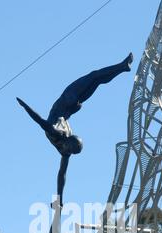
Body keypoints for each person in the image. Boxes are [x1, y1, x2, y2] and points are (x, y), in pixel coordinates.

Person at [17, 53, 133, 205]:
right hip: (70, 104)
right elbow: (61, 175)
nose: (67, 149)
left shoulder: (57, 136)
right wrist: (59, 198)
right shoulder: (65, 150)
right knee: (95, 79)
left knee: (95, 77)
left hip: (68, 99)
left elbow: (39, 121)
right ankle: (122, 67)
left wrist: (25, 106)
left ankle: (122, 66)